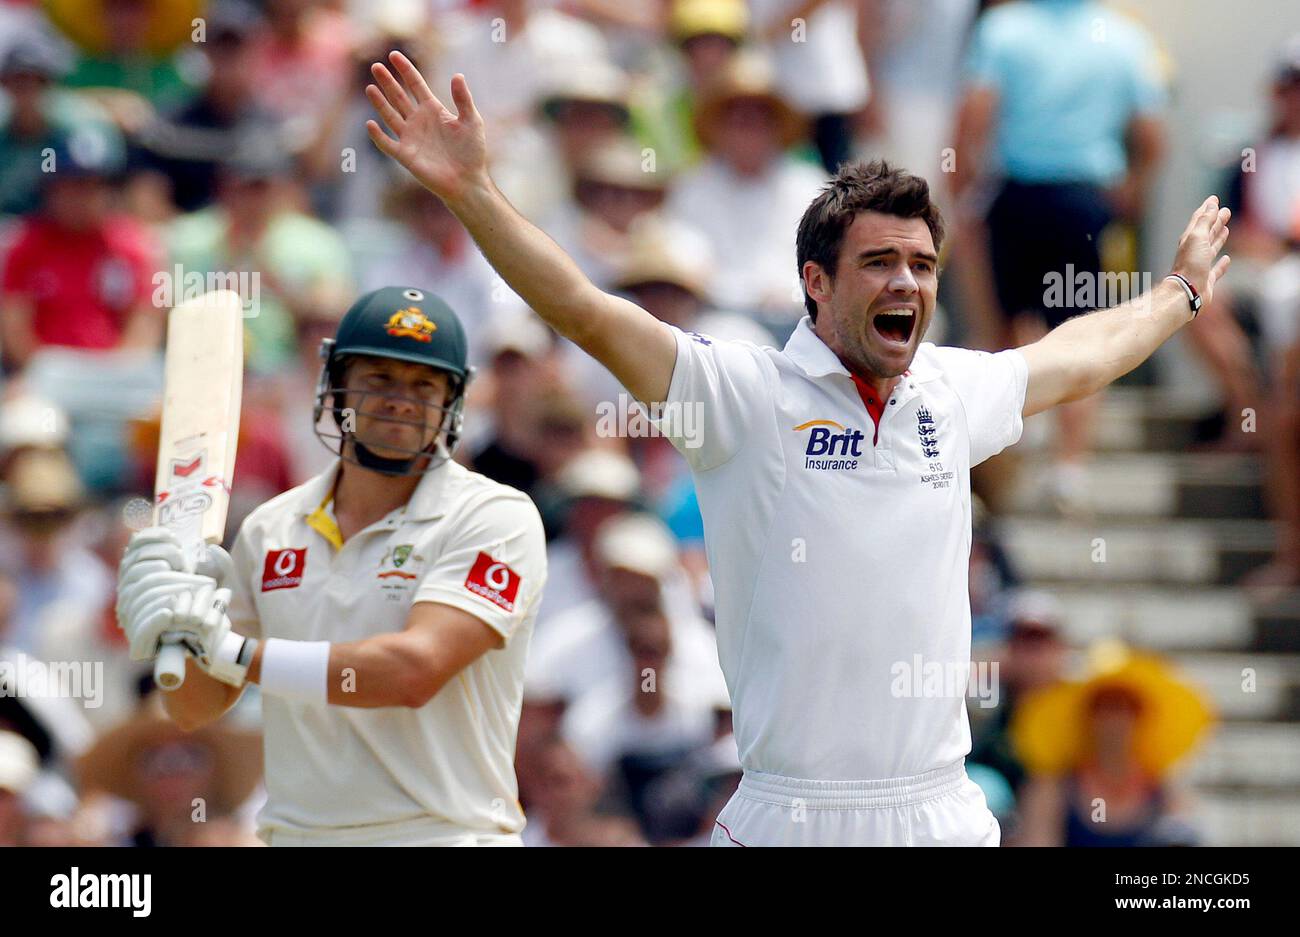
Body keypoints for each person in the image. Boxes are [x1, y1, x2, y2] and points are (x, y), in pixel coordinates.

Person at [361, 52, 1229, 846]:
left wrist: (1181, 291)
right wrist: (472, 190)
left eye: (923, 266)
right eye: (880, 261)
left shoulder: (950, 389)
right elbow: (587, 310)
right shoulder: (741, 396)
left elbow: (1075, 359)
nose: (907, 283)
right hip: (791, 814)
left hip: (941, 812)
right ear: (816, 282)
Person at [115, 286, 548, 846]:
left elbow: (414, 671)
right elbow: (194, 708)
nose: (402, 400)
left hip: (444, 835)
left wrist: (233, 652)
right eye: (380, 379)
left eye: (424, 384)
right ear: (334, 384)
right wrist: (176, 622)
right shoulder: (272, 527)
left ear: (453, 401)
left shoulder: (494, 516)